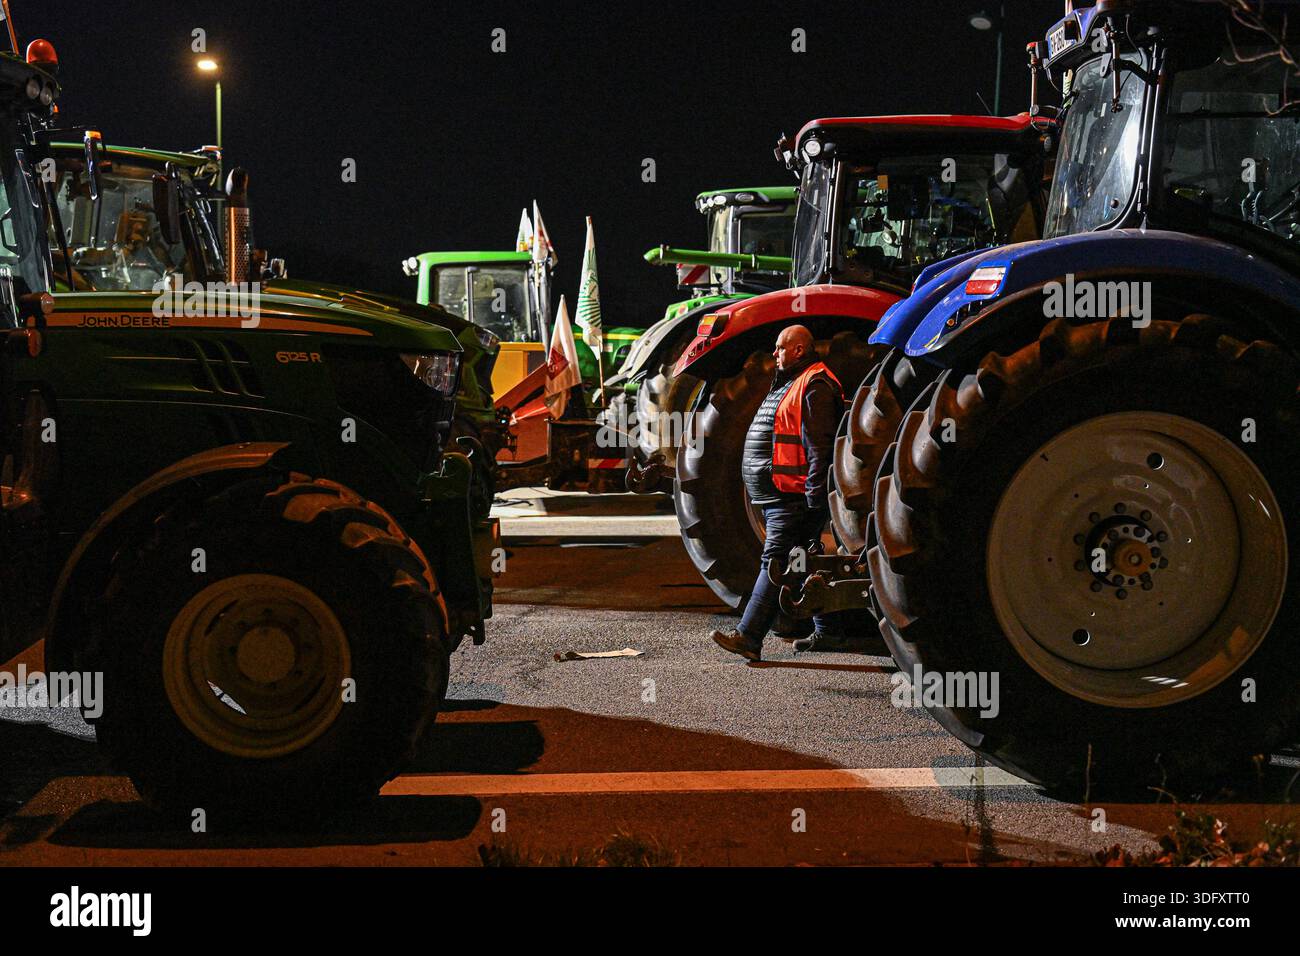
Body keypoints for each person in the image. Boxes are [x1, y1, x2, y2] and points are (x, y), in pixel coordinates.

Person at [711, 324, 844, 661]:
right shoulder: (795, 382)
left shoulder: (815, 386)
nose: (775, 354)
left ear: (799, 350)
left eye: (780, 348)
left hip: (794, 498)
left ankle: (749, 637)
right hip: (782, 496)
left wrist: (816, 500)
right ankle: (830, 634)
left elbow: (820, 447)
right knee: (805, 562)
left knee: (776, 563)